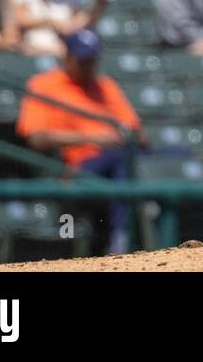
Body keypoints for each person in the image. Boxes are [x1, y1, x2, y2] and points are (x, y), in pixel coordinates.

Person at [16, 28, 144, 253]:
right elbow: (37, 139)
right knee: (119, 160)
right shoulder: (44, 85)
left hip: (116, 157)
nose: (88, 66)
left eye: (92, 60)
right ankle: (121, 241)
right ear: (67, 57)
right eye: (82, 60)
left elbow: (137, 131)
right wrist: (94, 138)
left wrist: (126, 137)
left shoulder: (105, 85)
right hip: (76, 167)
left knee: (174, 154)